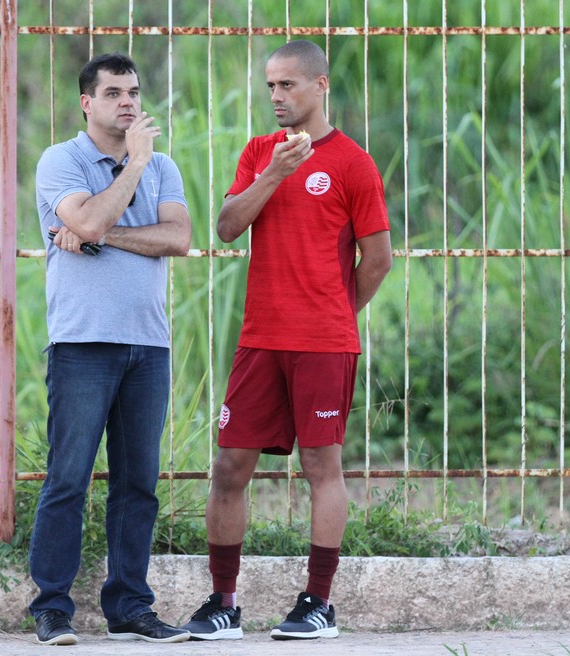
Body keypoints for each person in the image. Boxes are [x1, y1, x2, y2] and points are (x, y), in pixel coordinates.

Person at [180, 40, 392, 641]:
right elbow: (227, 227)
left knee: (321, 465)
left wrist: (333, 315)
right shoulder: (258, 153)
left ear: (320, 85)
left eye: (288, 85)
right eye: (270, 85)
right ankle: (223, 602)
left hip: (323, 343)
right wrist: (275, 171)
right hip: (260, 339)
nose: (276, 95)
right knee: (229, 465)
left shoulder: (353, 162)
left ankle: (318, 603)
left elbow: (378, 259)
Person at [28, 52, 192, 645]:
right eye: (114, 93)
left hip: (148, 345)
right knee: (68, 478)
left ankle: (129, 607)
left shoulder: (164, 166)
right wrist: (131, 167)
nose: (128, 103)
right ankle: (52, 607)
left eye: (134, 93)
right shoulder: (61, 160)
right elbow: (89, 220)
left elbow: (178, 238)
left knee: (138, 485)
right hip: (83, 344)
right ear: (87, 103)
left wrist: (101, 234)